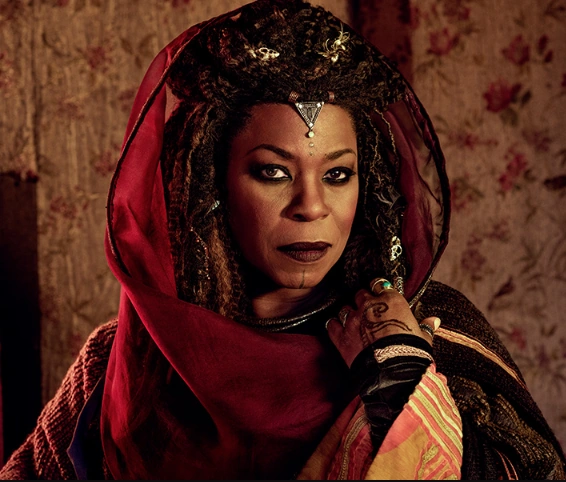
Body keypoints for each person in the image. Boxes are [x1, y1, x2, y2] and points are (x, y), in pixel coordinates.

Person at [1, 0, 564, 479]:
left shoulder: (429, 334)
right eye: (273, 172)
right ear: (211, 185)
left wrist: (398, 380)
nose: (311, 207)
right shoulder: (130, 357)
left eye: (338, 174)